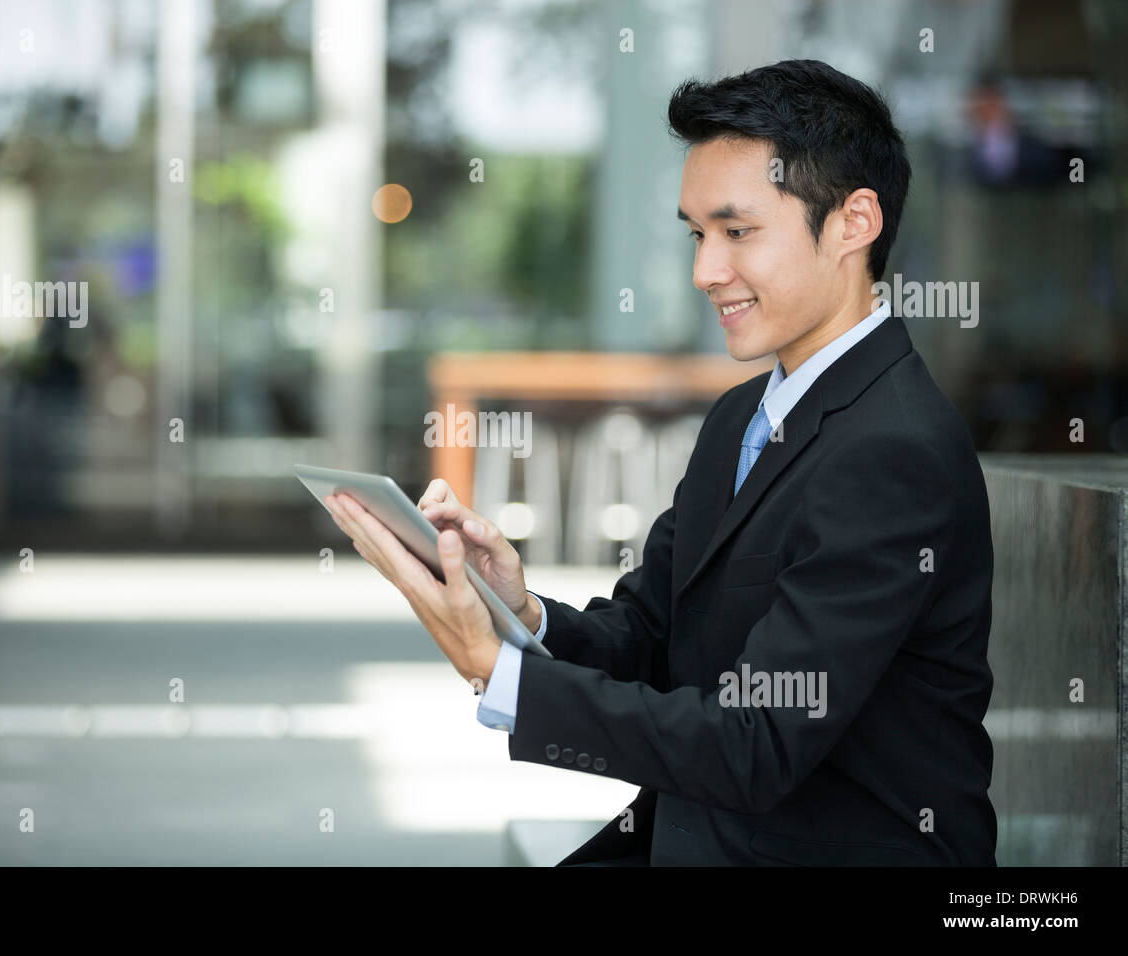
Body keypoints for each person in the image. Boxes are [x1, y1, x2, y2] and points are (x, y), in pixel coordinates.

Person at [325, 59, 997, 866]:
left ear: (855, 223)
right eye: (697, 233)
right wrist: (519, 613)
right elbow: (652, 637)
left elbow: (757, 744)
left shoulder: (896, 449)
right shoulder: (741, 418)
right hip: (698, 833)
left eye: (737, 231)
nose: (705, 271)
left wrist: (495, 670)